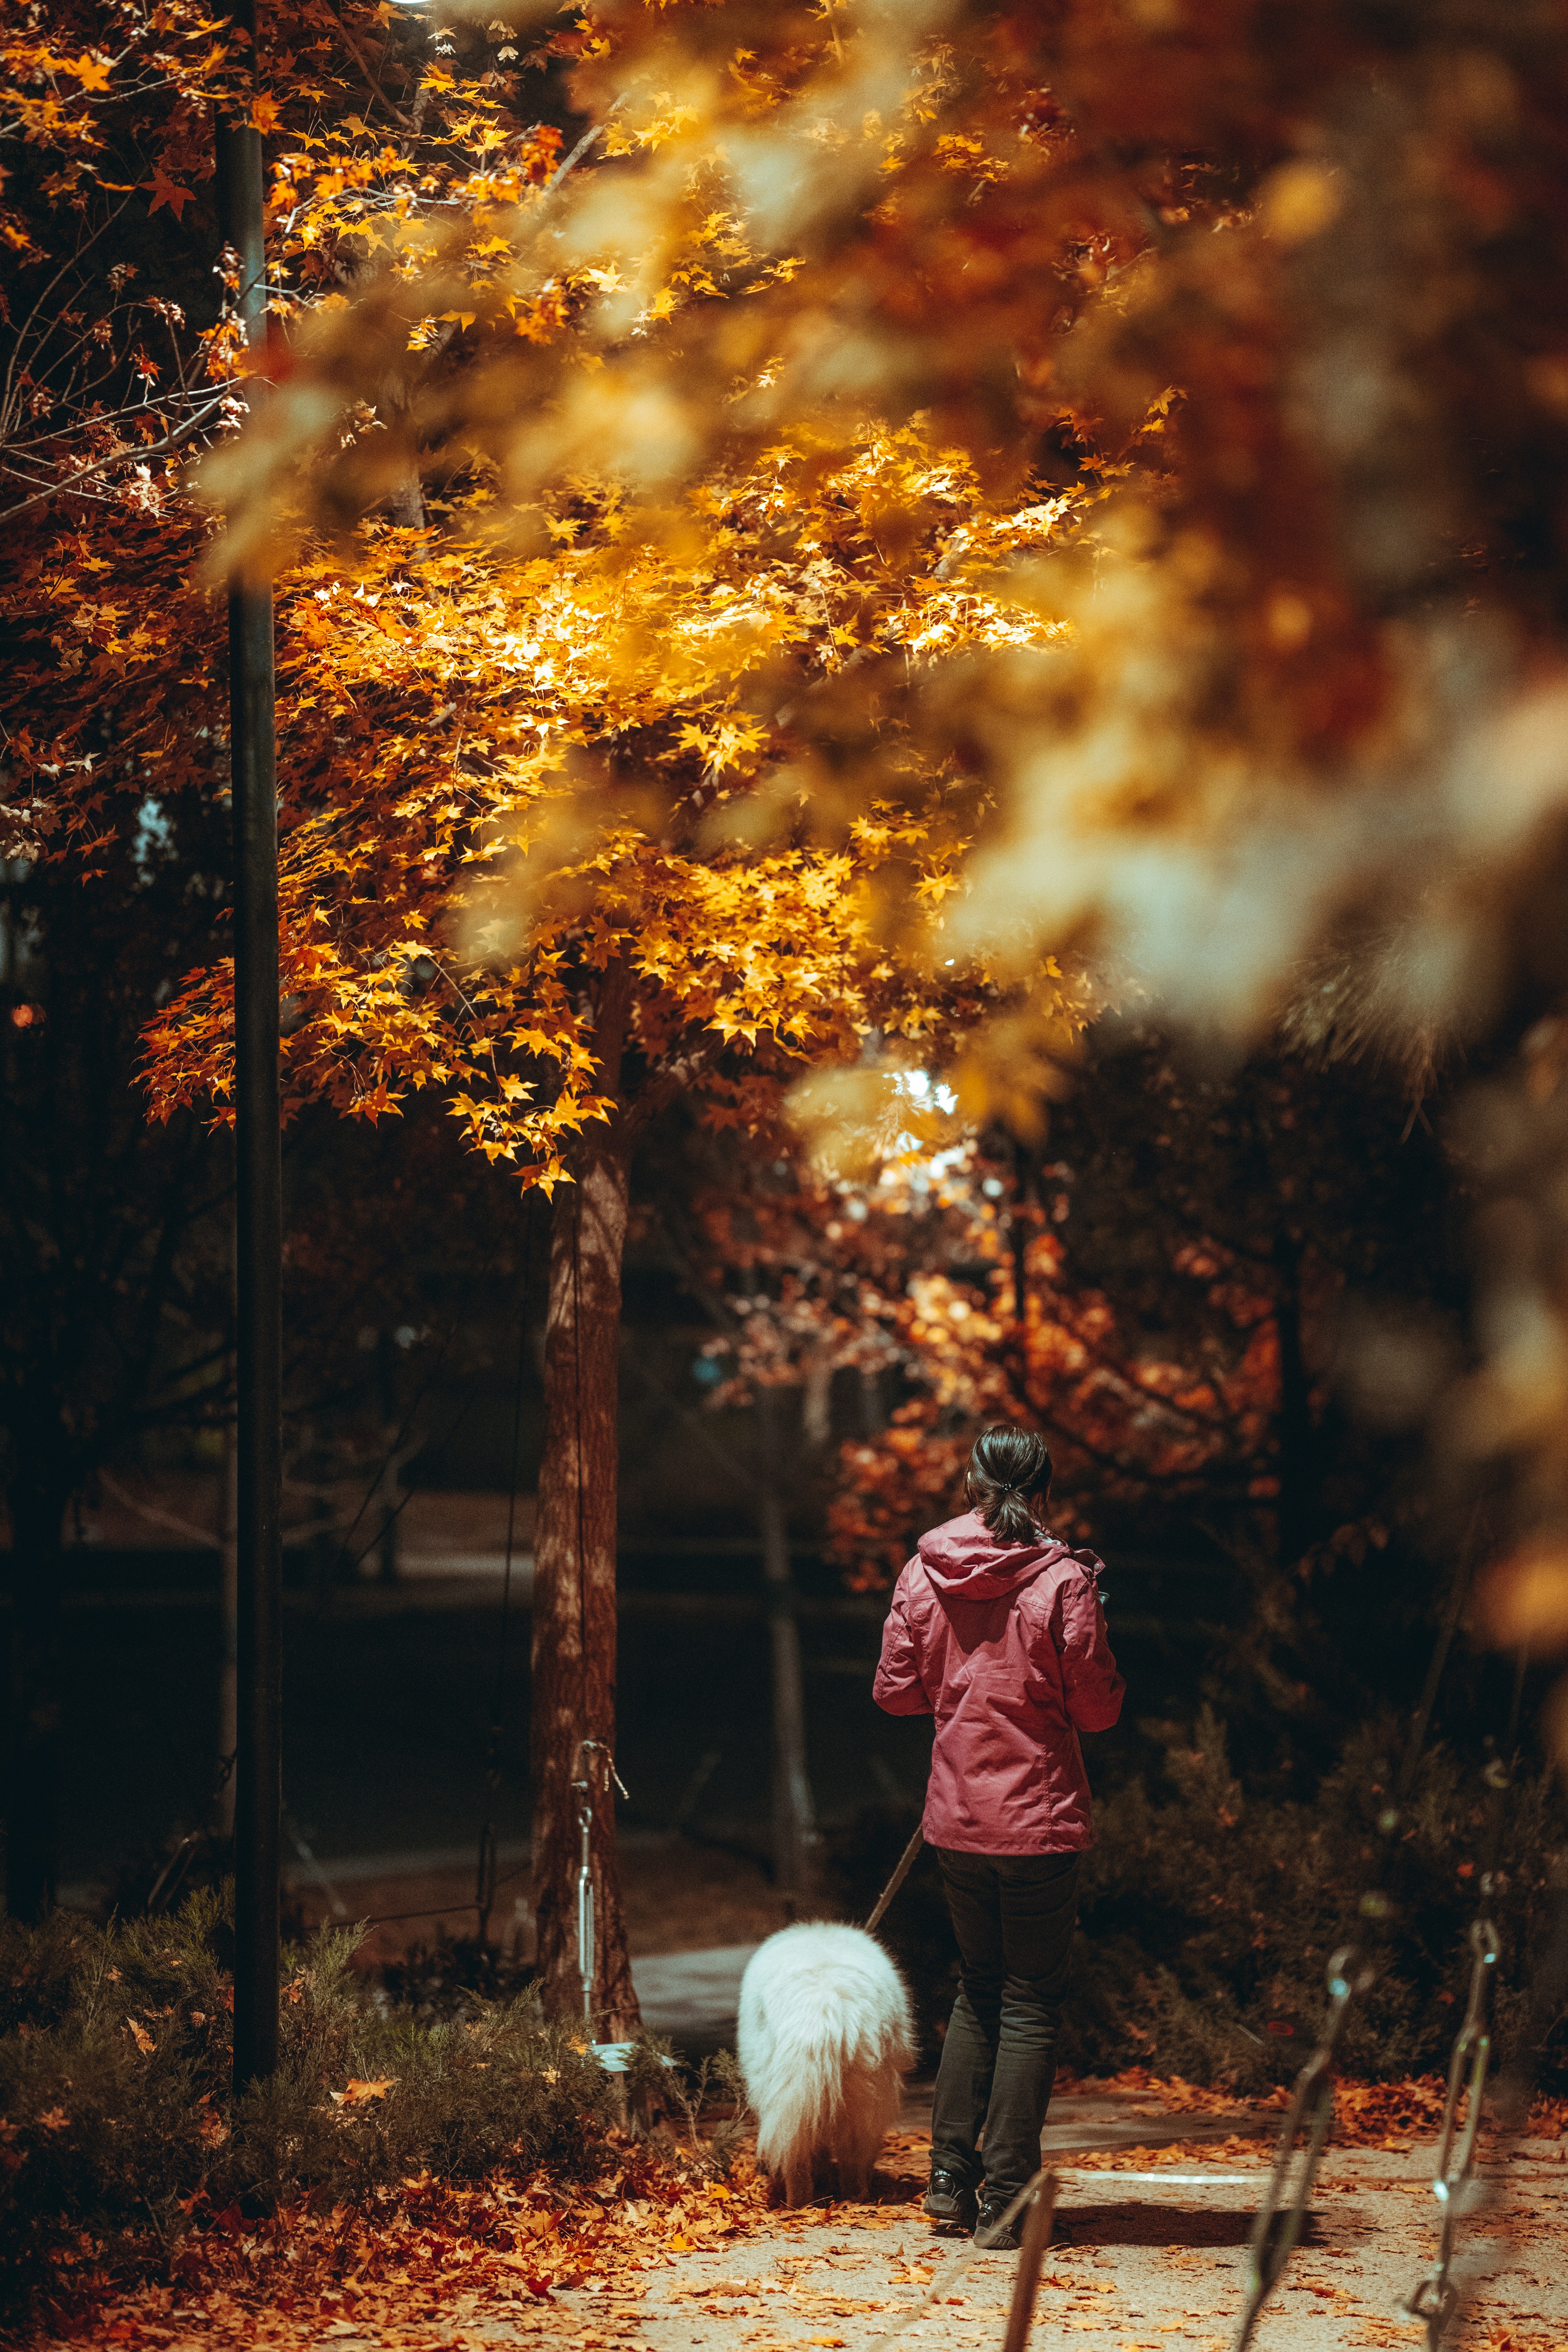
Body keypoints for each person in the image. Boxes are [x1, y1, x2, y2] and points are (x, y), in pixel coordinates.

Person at [872, 1422, 1123, 2248]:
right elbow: (1097, 1708)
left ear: (969, 1487)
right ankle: (1006, 2193)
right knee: (1027, 2003)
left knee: (976, 1989)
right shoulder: (1062, 1582)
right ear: (1043, 1491)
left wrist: (961, 1690)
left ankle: (948, 2181)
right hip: (1038, 1820)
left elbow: (895, 1695)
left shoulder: (922, 1571)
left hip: (956, 1821)